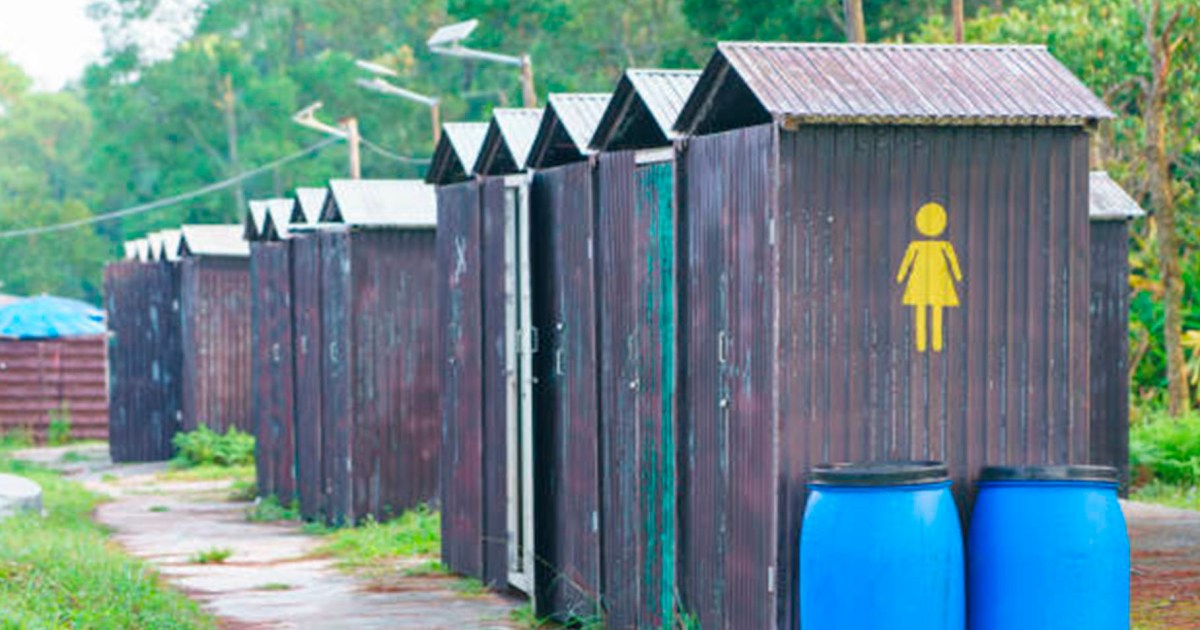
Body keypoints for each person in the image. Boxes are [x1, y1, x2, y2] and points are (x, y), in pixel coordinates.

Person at [896, 202, 963, 353]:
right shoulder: (942, 246)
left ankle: (923, 344)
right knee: (935, 314)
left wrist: (900, 277)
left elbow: (907, 262)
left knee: (922, 314)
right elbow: (953, 262)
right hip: (938, 283)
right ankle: (935, 344)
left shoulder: (918, 245)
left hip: (920, 283)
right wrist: (958, 277)